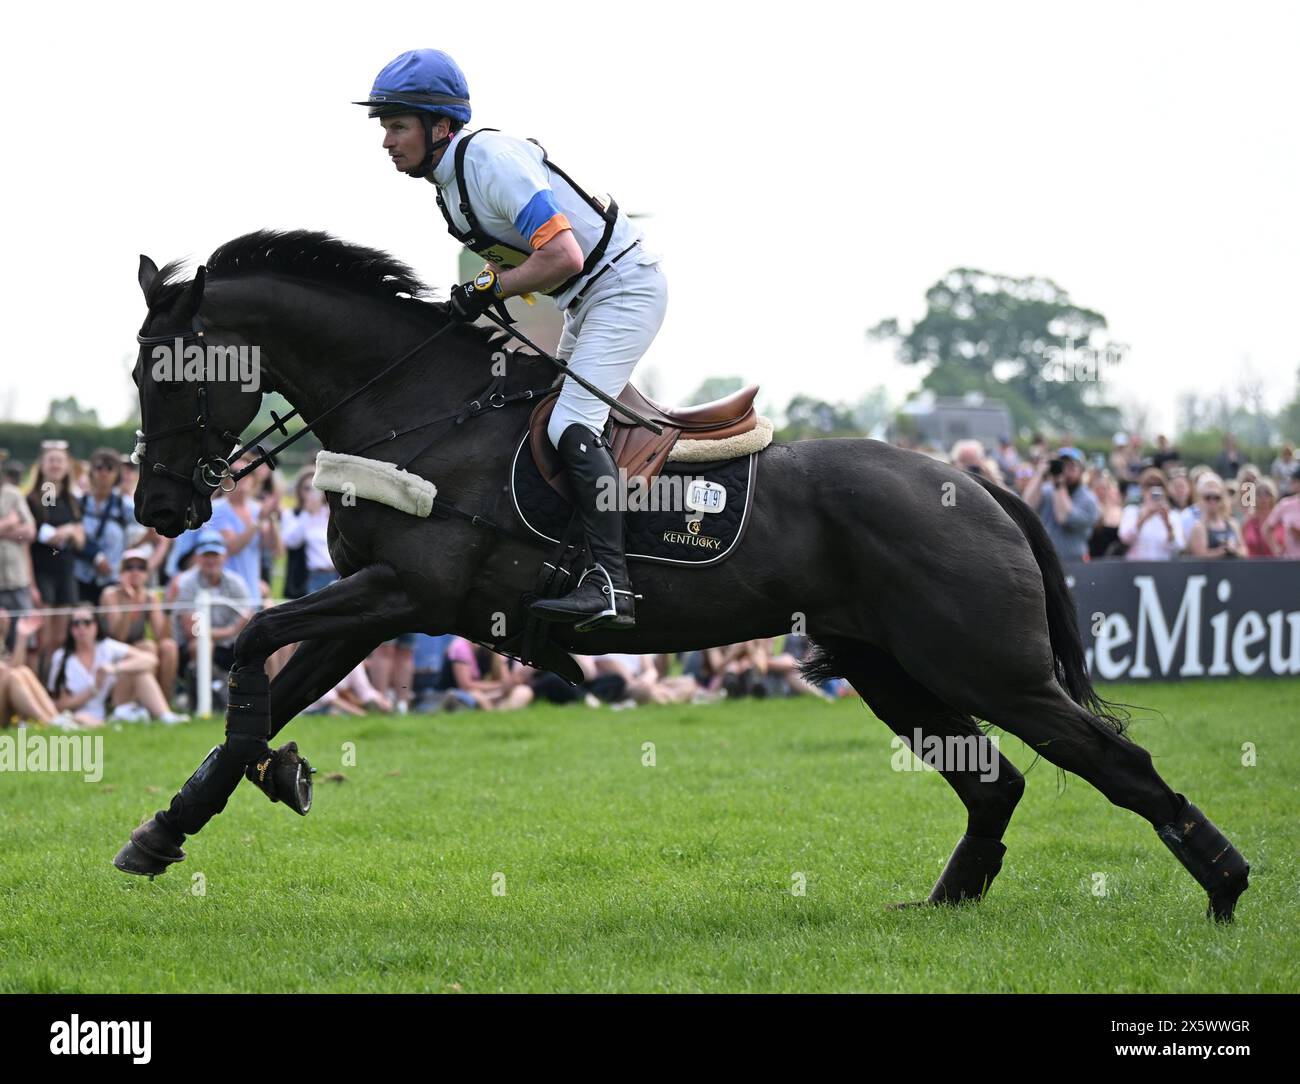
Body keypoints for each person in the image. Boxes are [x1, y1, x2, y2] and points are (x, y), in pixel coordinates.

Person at [357, 49, 666, 631]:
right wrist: (480, 292)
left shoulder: (490, 162)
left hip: (622, 290)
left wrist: (487, 287)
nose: (387, 141)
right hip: (588, 300)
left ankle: (613, 588)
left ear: (440, 126)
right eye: (385, 127)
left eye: (397, 126)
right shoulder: (450, 185)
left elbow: (564, 255)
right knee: (543, 416)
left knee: (571, 425)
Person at [48, 604, 186, 726]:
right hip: (79, 714)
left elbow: (151, 659)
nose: (81, 628)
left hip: (113, 704)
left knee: (140, 669)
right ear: (70, 629)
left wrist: (115, 668)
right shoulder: (61, 658)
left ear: (96, 625)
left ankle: (165, 716)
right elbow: (59, 704)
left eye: (87, 622)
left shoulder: (106, 646)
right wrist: (94, 689)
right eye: (76, 624)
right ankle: (130, 716)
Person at [171, 529, 253, 698]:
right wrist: (231, 631)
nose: (211, 560)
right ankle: (203, 700)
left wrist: (231, 632)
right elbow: (192, 632)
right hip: (193, 646)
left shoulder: (236, 582)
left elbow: (248, 619)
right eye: (206, 555)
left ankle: (269, 698)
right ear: (198, 558)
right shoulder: (187, 583)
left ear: (224, 557)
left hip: (231, 644)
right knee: (202, 645)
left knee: (262, 646)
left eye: (215, 555)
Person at [26, 442, 84, 672]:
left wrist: (68, 531)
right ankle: (35, 690)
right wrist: (31, 585)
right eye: (51, 460)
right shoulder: (31, 499)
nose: (56, 464)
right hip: (42, 575)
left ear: (67, 465)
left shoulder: (73, 500)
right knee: (42, 640)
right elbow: (29, 540)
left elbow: (81, 540)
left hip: (66, 574)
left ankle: (51, 693)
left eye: (60, 460)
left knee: (59, 640)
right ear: (42, 465)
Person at [99, 547, 179, 702]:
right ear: (121, 572)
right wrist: (129, 602)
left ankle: (164, 703)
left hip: (137, 648)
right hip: (113, 650)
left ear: (147, 574)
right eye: (129, 567)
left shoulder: (150, 597)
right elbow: (118, 638)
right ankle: (144, 702)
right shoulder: (110, 595)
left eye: (141, 568)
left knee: (168, 647)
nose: (135, 572)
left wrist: (167, 609)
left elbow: (160, 636)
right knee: (148, 647)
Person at [73, 447, 132, 605]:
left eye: (110, 468)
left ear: (117, 474)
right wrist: (97, 558)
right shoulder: (78, 503)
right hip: (79, 578)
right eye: (98, 467)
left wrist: (126, 557)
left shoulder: (124, 506)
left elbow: (153, 533)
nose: (104, 472)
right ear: (91, 472)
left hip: (111, 581)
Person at [1021, 447, 1099, 563]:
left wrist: (1059, 484)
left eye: (1071, 466)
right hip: (1046, 560)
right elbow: (1027, 506)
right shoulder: (1048, 490)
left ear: (1082, 470)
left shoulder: (1088, 499)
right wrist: (1040, 474)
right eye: (1062, 465)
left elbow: (1065, 517)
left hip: (1074, 562)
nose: (1065, 470)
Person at [0, 451, 38, 656]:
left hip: (17, 581)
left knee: (25, 641)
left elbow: (30, 531)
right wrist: (8, 524)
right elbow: (22, 528)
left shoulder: (13, 494)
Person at [280, 468, 335, 594]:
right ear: (299, 491)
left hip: (335, 574)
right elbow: (291, 542)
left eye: (316, 487)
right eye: (307, 488)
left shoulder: (330, 513)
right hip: (310, 577)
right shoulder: (294, 514)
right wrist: (307, 513)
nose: (312, 493)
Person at [1118, 467, 1184, 561]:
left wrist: (1167, 524)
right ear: (1142, 489)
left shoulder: (1173, 515)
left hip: (1162, 568)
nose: (1153, 488)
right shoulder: (1132, 511)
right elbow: (1125, 538)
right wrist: (1145, 516)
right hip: (1136, 568)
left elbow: (1178, 546)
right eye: (1149, 485)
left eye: (1158, 485)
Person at [1185, 474, 1244, 559]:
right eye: (1207, 498)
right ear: (1201, 500)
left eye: (1217, 498)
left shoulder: (1232, 524)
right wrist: (1223, 551)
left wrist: (1234, 550)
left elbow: (1244, 551)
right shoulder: (1199, 527)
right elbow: (1200, 556)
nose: (1212, 501)